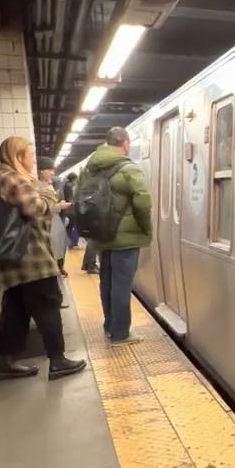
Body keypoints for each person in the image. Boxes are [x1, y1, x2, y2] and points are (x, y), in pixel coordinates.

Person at [0, 137, 85, 380]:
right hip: (29, 259)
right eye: (30, 155)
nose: (33, 160)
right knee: (48, 303)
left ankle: (3, 361)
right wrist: (49, 196)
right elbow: (35, 209)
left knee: (16, 310)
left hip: (12, 260)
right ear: (18, 157)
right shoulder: (11, 177)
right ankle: (58, 360)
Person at [84, 127, 152, 344]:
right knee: (122, 285)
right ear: (125, 144)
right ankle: (121, 333)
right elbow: (142, 201)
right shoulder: (129, 169)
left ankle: (109, 326)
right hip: (125, 239)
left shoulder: (91, 168)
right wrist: (145, 228)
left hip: (102, 235)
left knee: (107, 282)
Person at [37, 157, 70, 278]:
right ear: (41, 171)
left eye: (53, 170)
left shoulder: (48, 184)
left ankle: (57, 270)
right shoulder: (39, 187)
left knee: (56, 250)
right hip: (47, 225)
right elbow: (44, 209)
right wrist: (60, 205)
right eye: (49, 169)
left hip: (53, 223)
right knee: (50, 253)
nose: (52, 172)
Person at [62, 172, 80, 250]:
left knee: (69, 226)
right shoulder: (70, 186)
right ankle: (73, 243)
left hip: (67, 209)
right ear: (73, 179)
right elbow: (71, 199)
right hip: (71, 209)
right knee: (75, 226)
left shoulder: (65, 185)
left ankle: (69, 243)